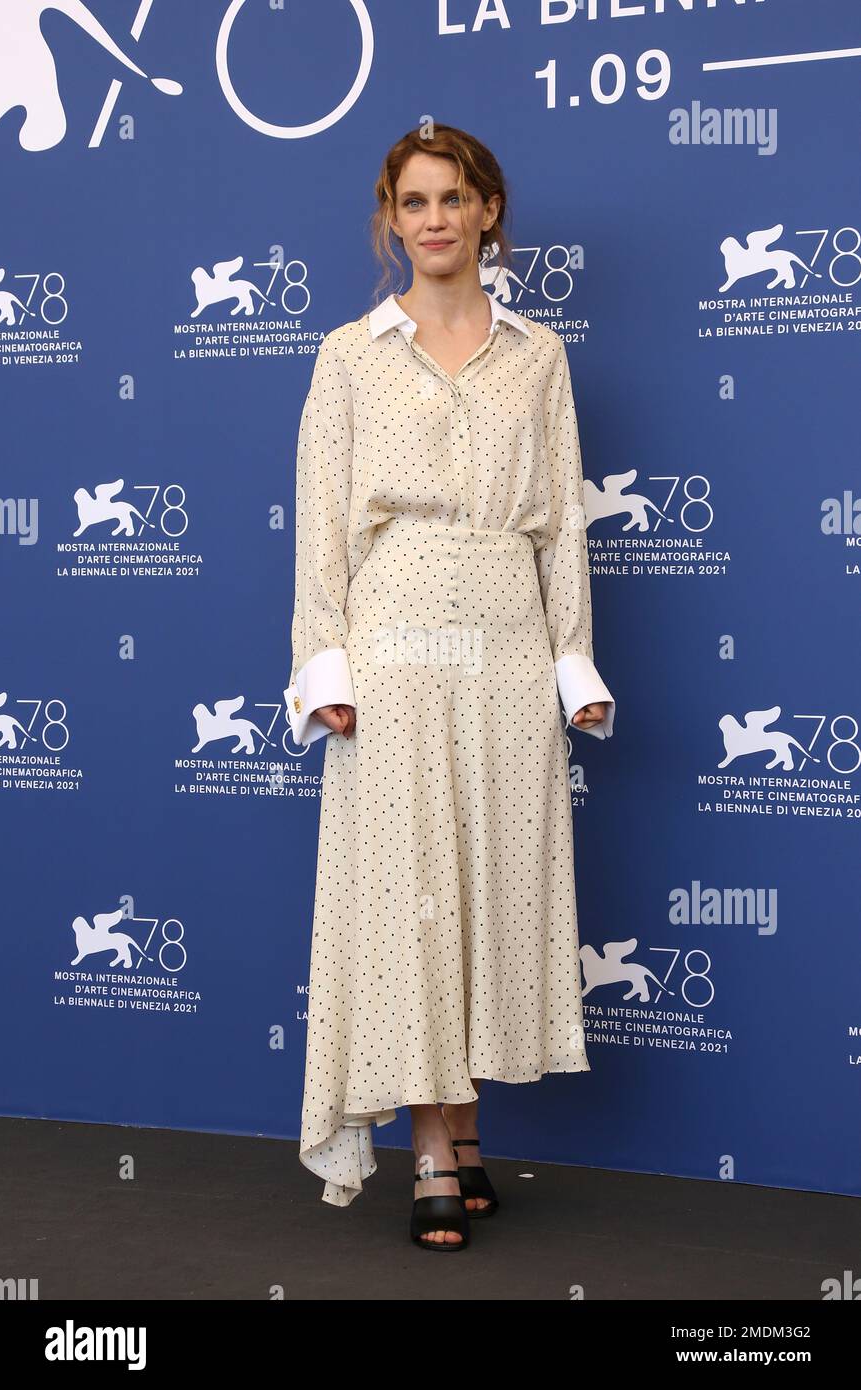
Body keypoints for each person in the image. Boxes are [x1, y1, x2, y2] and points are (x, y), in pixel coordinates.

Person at [284, 125, 616, 1252]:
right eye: (411, 201)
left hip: (508, 637)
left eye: (452, 198)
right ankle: (427, 1144)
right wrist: (322, 666)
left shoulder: (538, 353)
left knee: (488, 885)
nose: (432, 219)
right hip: (394, 646)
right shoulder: (347, 354)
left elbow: (563, 526)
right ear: (391, 219)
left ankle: (466, 1129)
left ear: (486, 213)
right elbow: (321, 530)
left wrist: (573, 665)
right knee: (410, 890)